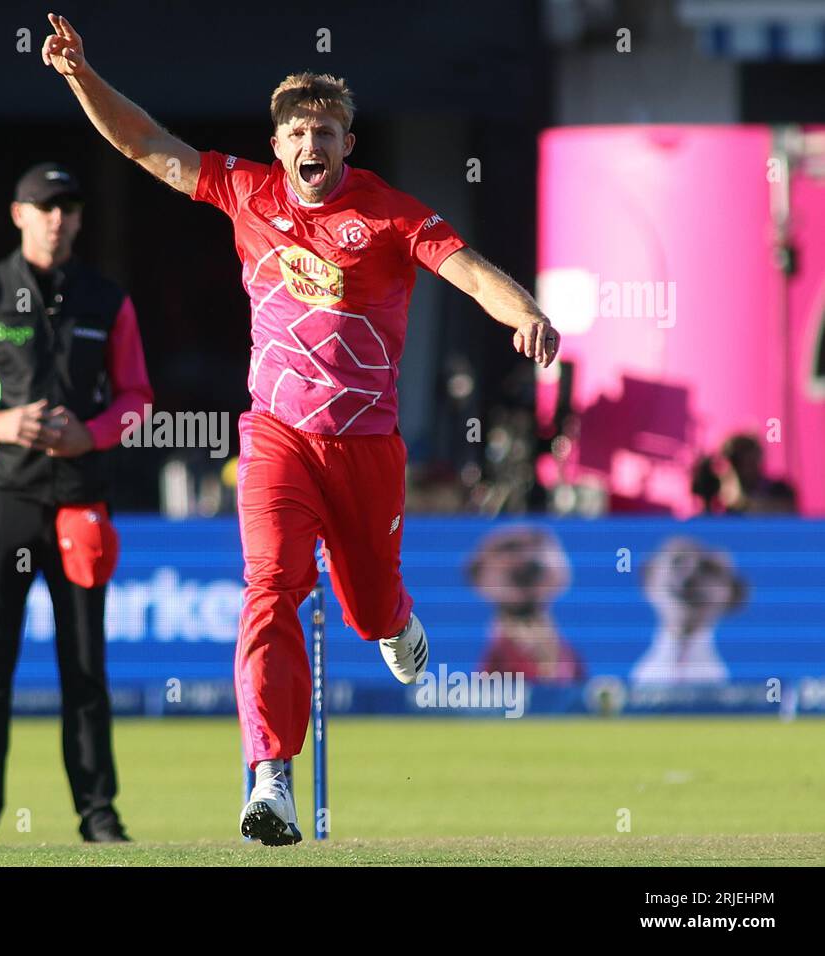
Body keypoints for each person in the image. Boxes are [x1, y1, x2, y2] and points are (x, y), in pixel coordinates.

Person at [41, 13, 562, 845]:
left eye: (324, 129)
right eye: (296, 131)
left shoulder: (390, 215)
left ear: (346, 143)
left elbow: (464, 270)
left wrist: (525, 312)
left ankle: (394, 618)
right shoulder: (244, 189)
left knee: (365, 606)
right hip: (277, 435)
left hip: (365, 448)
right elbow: (144, 144)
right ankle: (270, 779)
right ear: (278, 146)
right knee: (272, 588)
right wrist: (78, 75)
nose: (309, 142)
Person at [0, 161, 154, 844]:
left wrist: (94, 434)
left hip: (81, 500)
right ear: (18, 214)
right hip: (4, 495)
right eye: (45, 207)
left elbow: (139, 398)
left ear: (79, 219)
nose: (57, 219)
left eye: (69, 208)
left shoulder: (107, 299)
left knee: (87, 668)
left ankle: (99, 815)